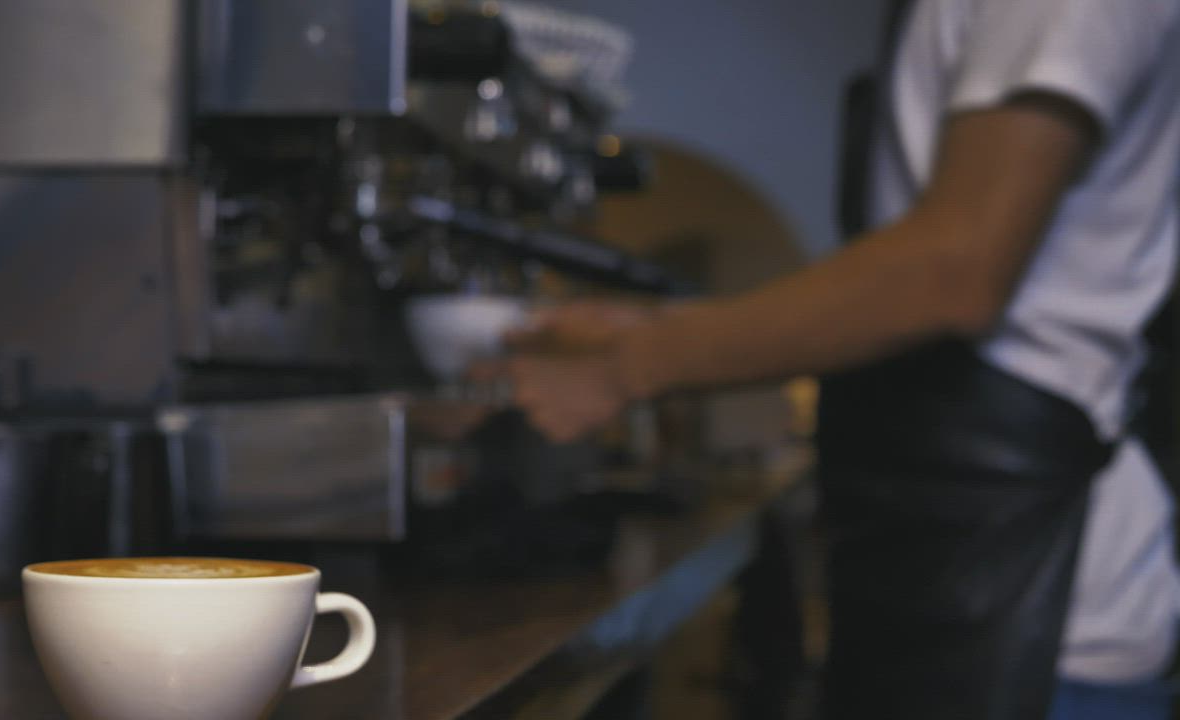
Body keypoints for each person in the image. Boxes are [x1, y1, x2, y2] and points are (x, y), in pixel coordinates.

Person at [496, 1, 1180, 718]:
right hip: (942, 572)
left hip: (1032, 611)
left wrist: (627, 364)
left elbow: (954, 272)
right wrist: (649, 329)